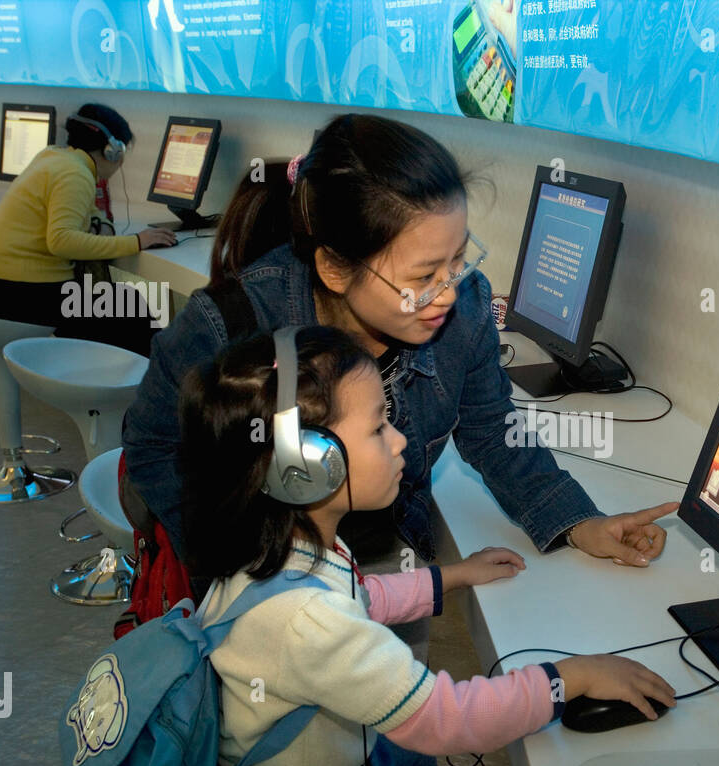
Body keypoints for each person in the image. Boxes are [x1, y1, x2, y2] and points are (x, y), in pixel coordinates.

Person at [122, 113, 676, 649]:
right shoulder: (230, 325)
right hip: (254, 567)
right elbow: (152, 448)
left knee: (389, 718)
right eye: (423, 276)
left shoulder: (464, 311)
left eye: (457, 261)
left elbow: (492, 431)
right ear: (336, 269)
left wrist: (578, 520)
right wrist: (257, 561)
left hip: (386, 544)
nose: (450, 291)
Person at [180, 325, 676, 766]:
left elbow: (358, 597)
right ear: (304, 468)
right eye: (378, 427)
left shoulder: (273, 553)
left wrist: (450, 578)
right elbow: (444, 717)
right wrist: (572, 677)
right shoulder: (304, 615)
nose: (399, 441)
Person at [0, 103, 177, 357]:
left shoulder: (53, 157)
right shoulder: (76, 174)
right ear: (112, 151)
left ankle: (130, 378)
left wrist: (101, 224)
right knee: (130, 306)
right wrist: (137, 241)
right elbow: (61, 241)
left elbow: (83, 210)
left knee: (119, 302)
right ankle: (154, 383)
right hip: (23, 295)